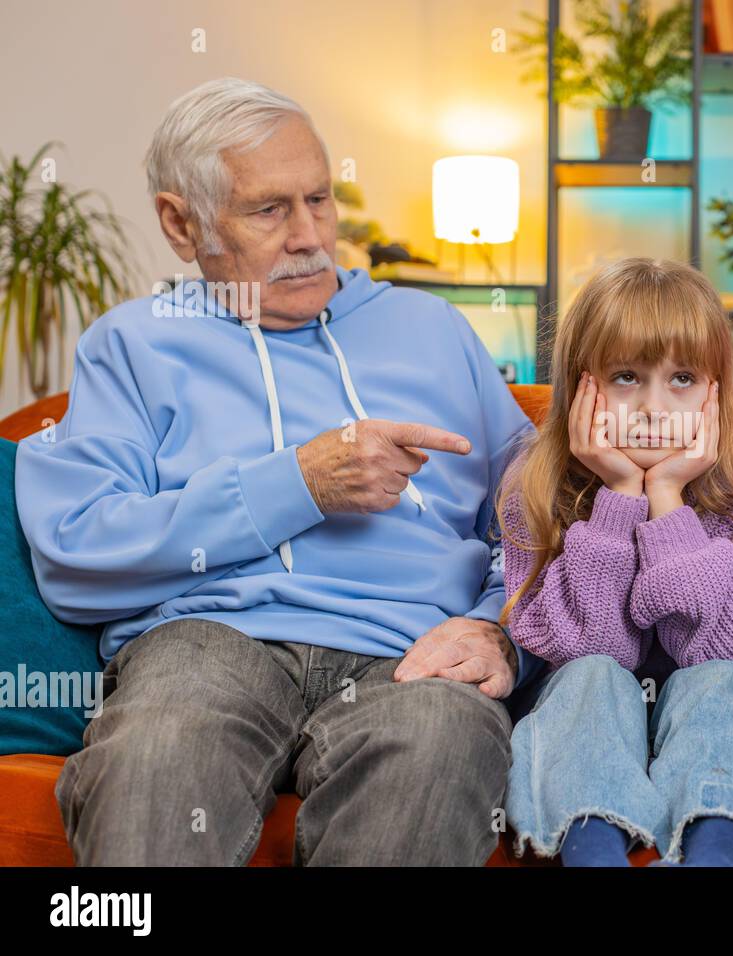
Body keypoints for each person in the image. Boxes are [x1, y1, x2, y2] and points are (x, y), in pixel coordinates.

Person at [14, 77, 542, 865]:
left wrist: (499, 627)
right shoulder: (132, 344)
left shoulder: (432, 328)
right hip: (206, 641)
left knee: (442, 741)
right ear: (179, 222)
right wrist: (296, 484)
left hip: (411, 650)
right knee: (157, 756)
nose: (310, 236)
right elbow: (77, 548)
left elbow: (540, 512)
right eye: (269, 209)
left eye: (320, 200)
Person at [497, 257, 733, 866]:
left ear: (717, 389)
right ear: (583, 386)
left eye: (683, 378)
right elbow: (586, 646)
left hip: (714, 715)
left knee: (721, 682)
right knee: (590, 679)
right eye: (627, 377)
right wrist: (619, 500)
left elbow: (713, 647)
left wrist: (667, 502)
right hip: (591, 717)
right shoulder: (530, 488)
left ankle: (716, 851)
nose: (655, 408)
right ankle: (594, 852)